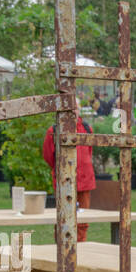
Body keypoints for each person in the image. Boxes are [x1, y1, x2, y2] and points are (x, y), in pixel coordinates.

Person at [42, 96, 95, 242]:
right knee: (63, 218)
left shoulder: (87, 128)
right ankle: (61, 251)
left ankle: (81, 248)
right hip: (64, 182)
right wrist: (61, 171)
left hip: (84, 182)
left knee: (83, 220)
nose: (73, 112)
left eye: (75, 108)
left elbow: (89, 152)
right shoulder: (53, 130)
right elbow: (48, 156)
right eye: (69, 109)